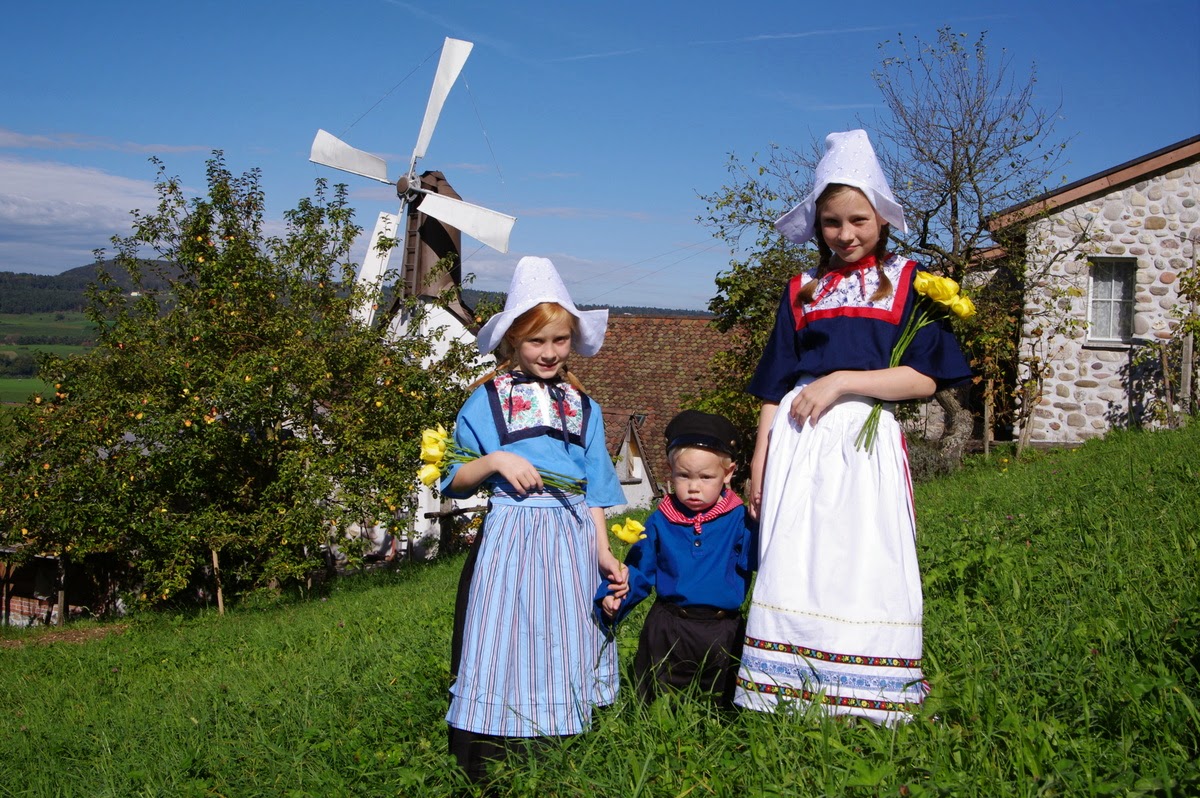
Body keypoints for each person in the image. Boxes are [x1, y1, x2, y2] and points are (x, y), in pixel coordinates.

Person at [732, 130, 973, 724]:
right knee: (796, 557)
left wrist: (841, 380)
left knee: (865, 555)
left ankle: (867, 694)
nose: (846, 234)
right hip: (797, 442)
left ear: (881, 219)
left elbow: (924, 379)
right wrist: (759, 464)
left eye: (858, 220)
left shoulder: (910, 284)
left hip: (862, 446)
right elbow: (772, 390)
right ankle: (786, 692)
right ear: (817, 225)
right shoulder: (803, 290)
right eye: (832, 222)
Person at [440, 256, 629, 783]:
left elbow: (594, 490)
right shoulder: (486, 401)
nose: (549, 353)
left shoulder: (583, 406)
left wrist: (603, 549)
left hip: (569, 535)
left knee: (563, 632)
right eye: (536, 341)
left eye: (560, 341)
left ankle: (557, 739)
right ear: (512, 344)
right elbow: (451, 476)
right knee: (507, 632)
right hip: (514, 534)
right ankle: (492, 746)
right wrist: (496, 461)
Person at [596, 410, 757, 706]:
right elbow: (639, 569)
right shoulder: (660, 520)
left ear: (729, 473)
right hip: (669, 625)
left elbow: (758, 561)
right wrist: (614, 597)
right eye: (684, 475)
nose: (694, 486)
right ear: (670, 471)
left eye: (706, 477)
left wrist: (765, 519)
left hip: (723, 629)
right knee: (659, 701)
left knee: (719, 705)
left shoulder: (739, 520)